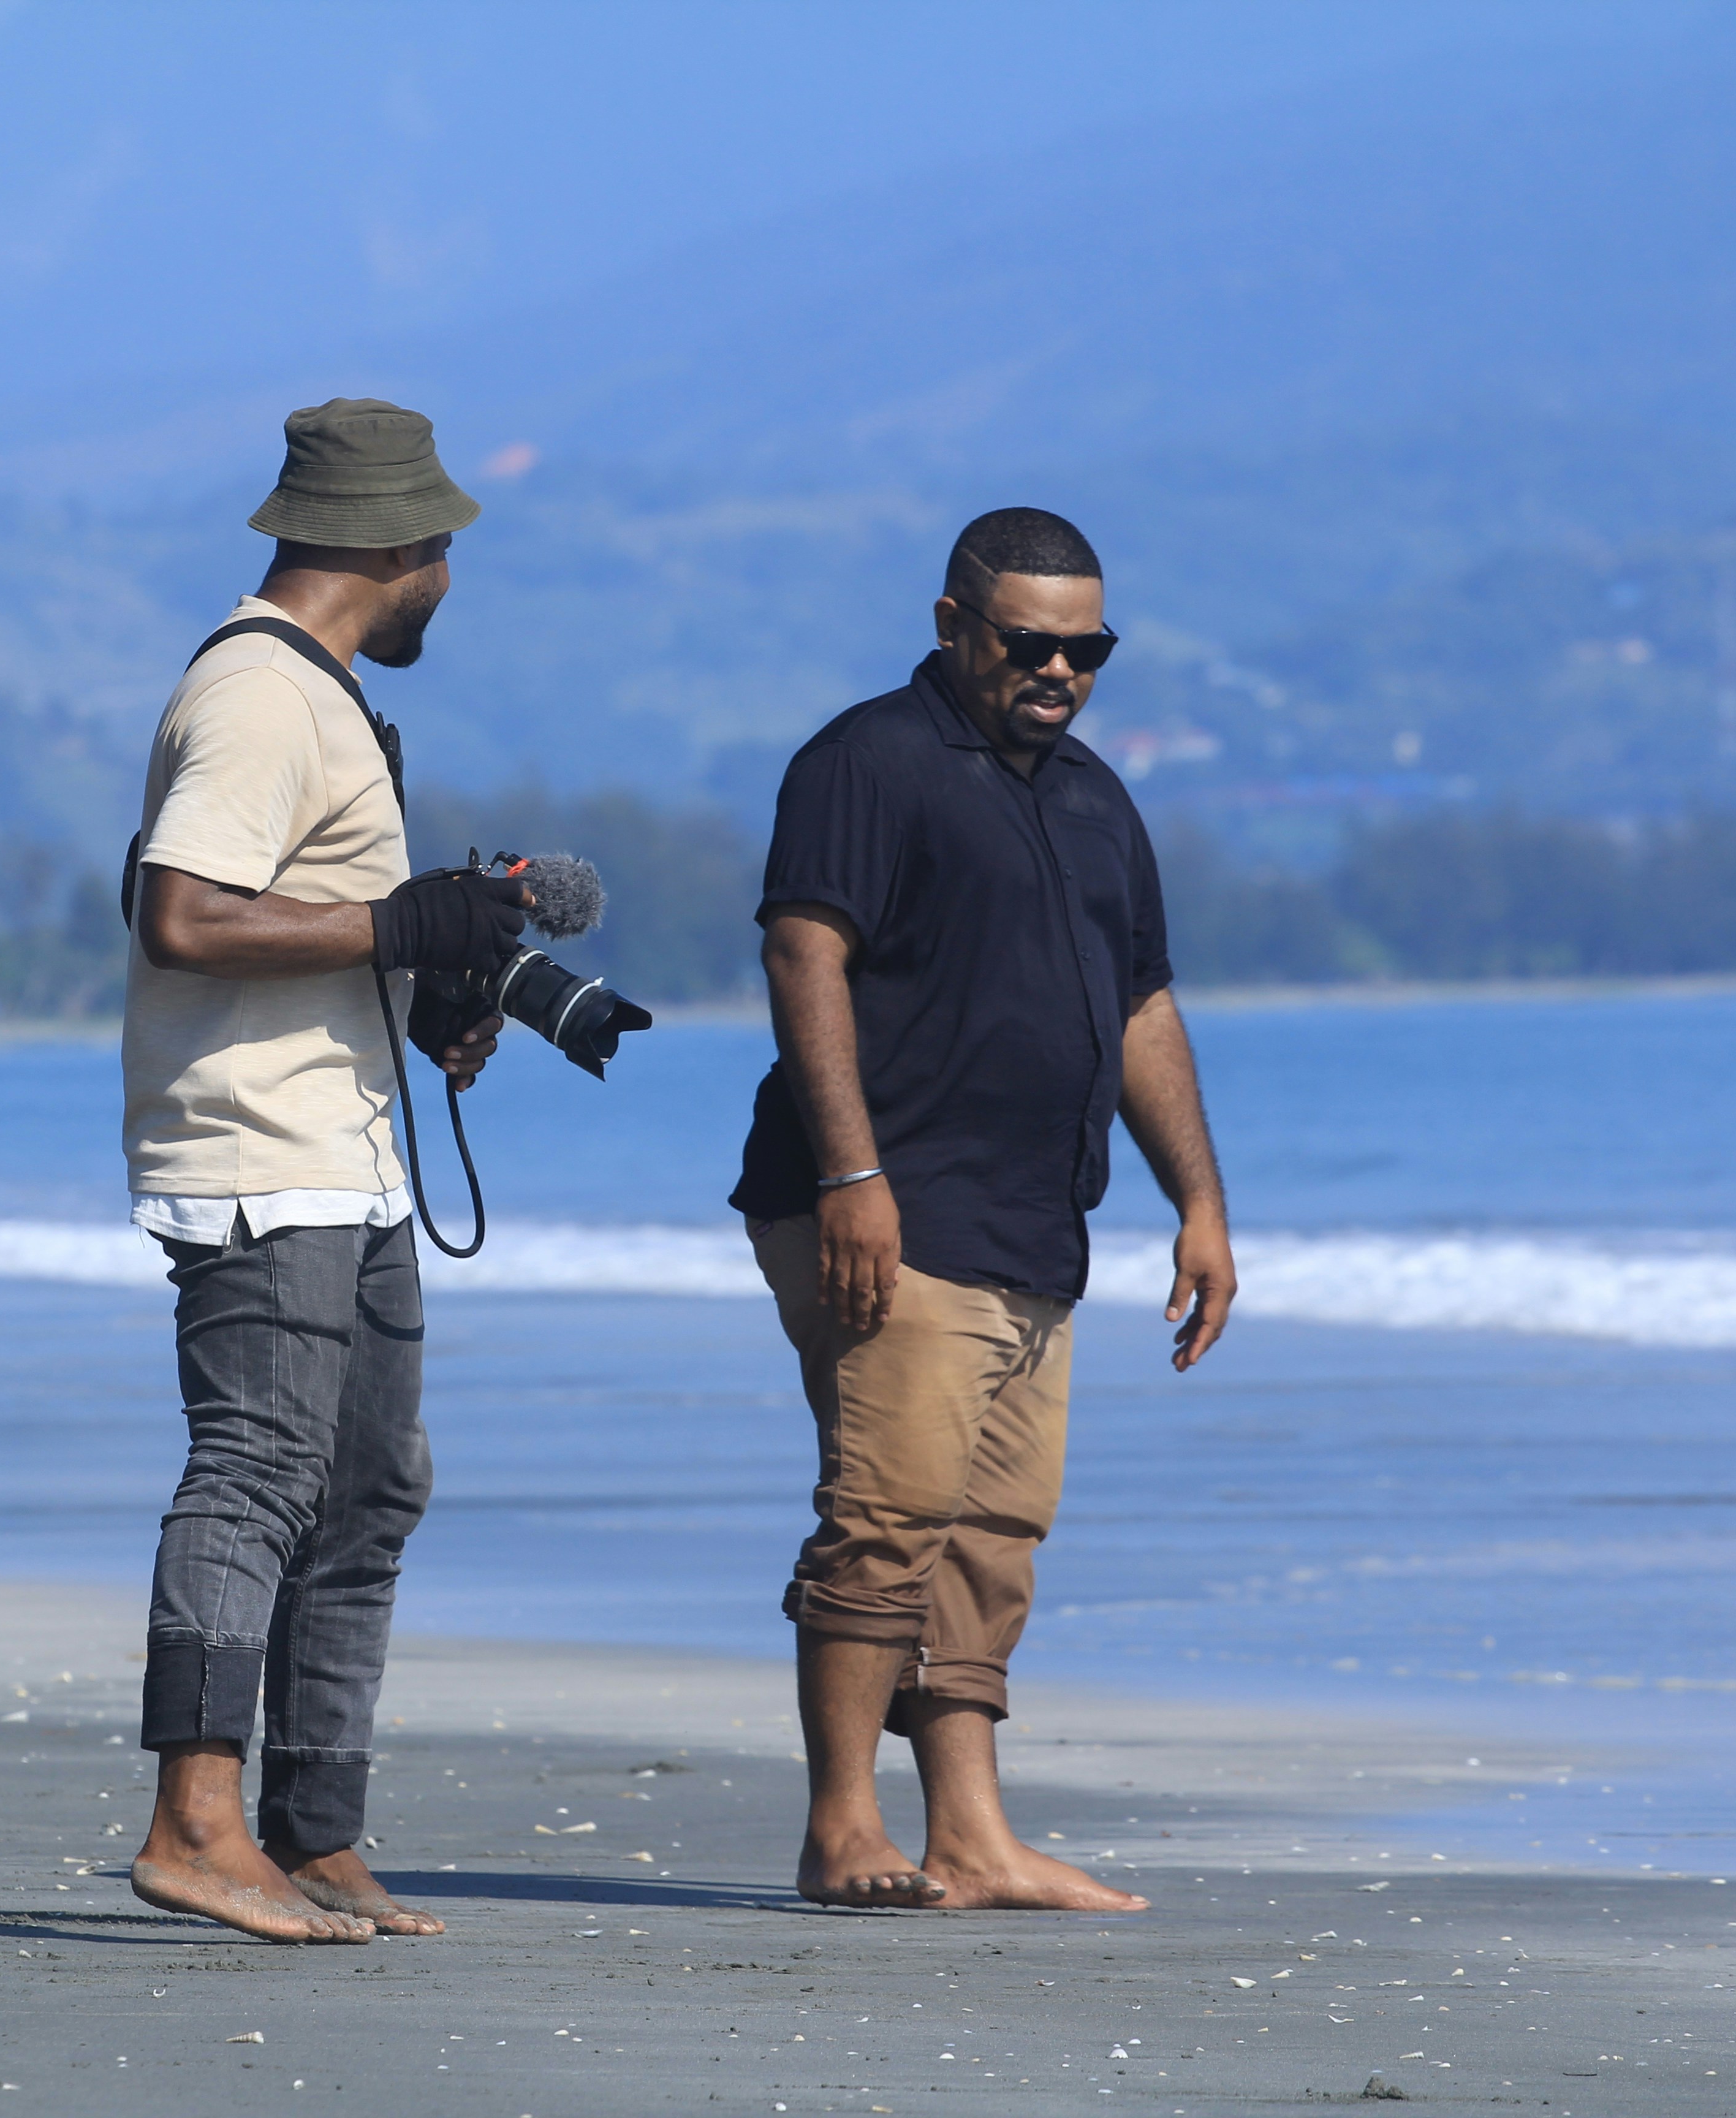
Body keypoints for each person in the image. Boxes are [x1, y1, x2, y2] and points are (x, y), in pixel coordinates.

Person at [731, 506, 1240, 1913]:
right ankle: (844, 1830)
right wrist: (853, 1178)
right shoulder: (868, 761)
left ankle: (970, 1837)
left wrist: (1198, 1203)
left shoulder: (1096, 798)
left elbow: (1142, 1006)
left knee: (991, 1536)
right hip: (888, 1208)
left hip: (1035, 1227)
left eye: (1088, 650)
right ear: (955, 625)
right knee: (886, 1521)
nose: (1060, 670)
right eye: (1029, 644)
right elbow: (803, 955)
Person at [121, 399, 529, 1943]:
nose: (449, 580)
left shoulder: (323, 694)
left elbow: (294, 919)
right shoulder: (257, 692)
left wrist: (433, 995)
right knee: (257, 1472)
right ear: (399, 543)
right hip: (259, 1158)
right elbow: (180, 913)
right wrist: (398, 924)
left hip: (347, 1156)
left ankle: (313, 1832)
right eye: (446, 549)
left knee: (370, 1489)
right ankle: (191, 1825)